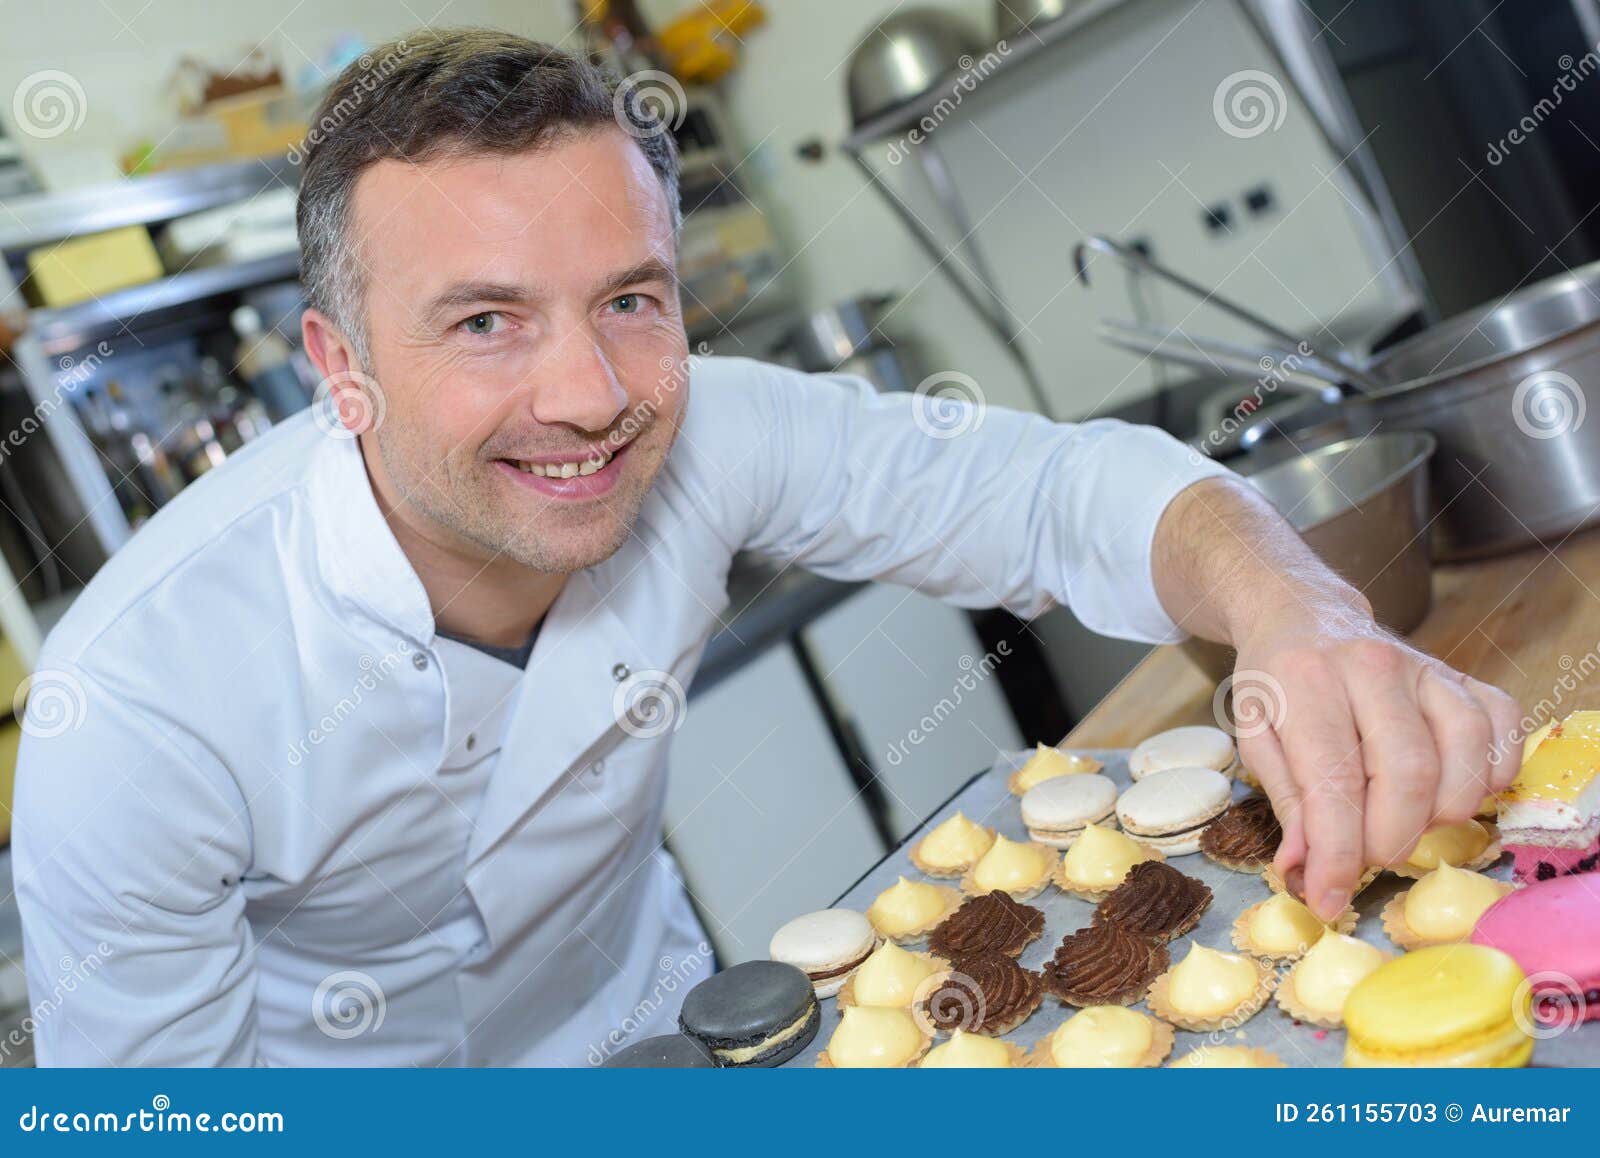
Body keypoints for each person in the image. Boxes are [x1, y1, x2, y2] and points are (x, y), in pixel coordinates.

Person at [13, 29, 1521, 1066]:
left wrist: (1296, 609)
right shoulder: (138, 707)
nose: (588, 395)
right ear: (339, 367)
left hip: (682, 1046)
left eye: (631, 299)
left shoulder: (709, 431)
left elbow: (1062, 491)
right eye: (484, 322)